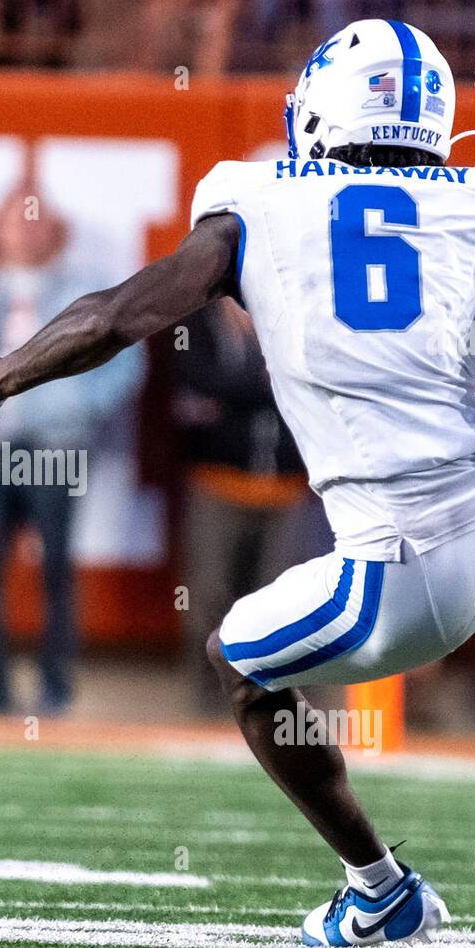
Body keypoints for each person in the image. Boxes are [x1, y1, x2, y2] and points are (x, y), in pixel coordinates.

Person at [0, 20, 475, 948]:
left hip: (400, 559)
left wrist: (1, 372)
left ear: (324, 108)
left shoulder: (255, 199)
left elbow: (124, 313)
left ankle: (378, 889)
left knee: (238, 659)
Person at [0, 179, 145, 715]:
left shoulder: (81, 291)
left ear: (55, 231)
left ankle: (55, 688)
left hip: (56, 448)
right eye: (11, 220)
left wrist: (76, 408)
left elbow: (124, 365)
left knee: (55, 568)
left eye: (31, 218)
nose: (21, 230)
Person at [171, 299, 310, 715]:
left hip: (287, 486)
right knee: (209, 596)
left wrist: (232, 392)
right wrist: (268, 383)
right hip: (218, 481)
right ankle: (210, 704)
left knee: (284, 602)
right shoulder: (196, 322)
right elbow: (195, 383)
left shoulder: (297, 313)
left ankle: (275, 705)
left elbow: (315, 383)